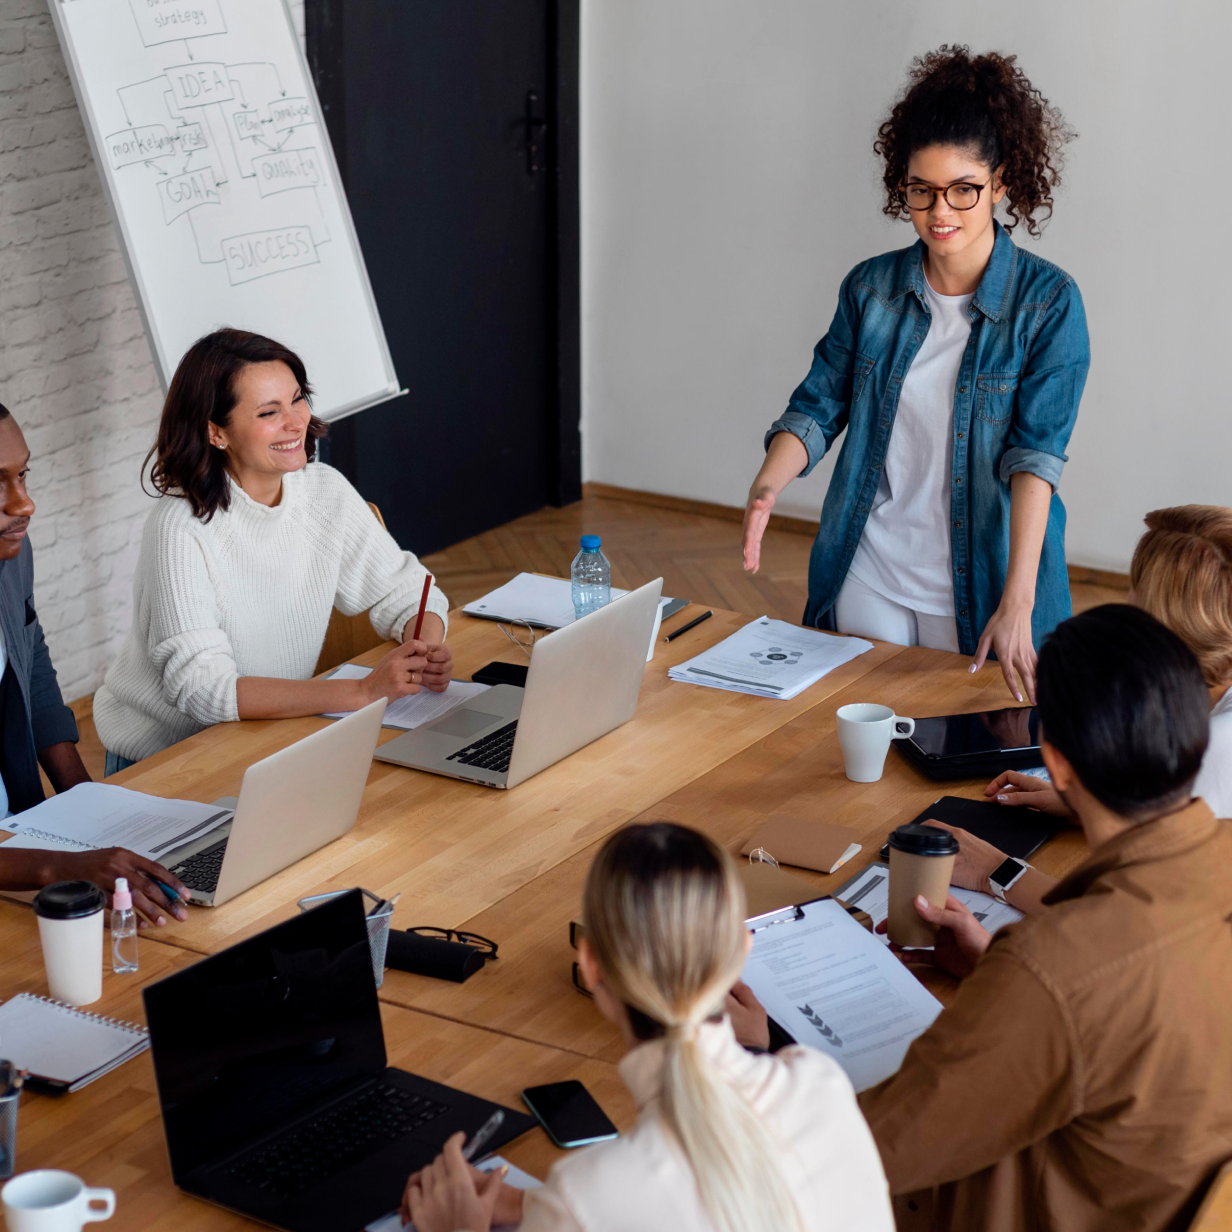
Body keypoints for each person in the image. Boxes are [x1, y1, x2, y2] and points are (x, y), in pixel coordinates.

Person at [848, 605, 1232, 1231]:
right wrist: (999, 978)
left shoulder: (1055, 968)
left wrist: (755, 1055)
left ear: (1054, 763)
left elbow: (873, 1155)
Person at [742, 46, 1088, 703]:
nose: (940, 211)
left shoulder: (1048, 303)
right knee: (856, 748)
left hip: (985, 579)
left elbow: (1034, 462)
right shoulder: (870, 289)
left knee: (968, 759)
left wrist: (1017, 602)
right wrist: (768, 484)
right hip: (868, 567)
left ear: (1003, 181)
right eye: (921, 190)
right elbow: (818, 406)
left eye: (964, 189)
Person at [400, 822, 894, 1232]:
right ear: (741, 954)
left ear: (591, 967)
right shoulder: (820, 1083)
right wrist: (533, 1207)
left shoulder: (590, 1195)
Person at [94, 329, 453, 769]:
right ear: (215, 431)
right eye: (269, 412)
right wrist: (363, 691)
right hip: (169, 761)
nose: (296, 421)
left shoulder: (323, 490)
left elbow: (407, 590)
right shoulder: (180, 528)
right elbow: (203, 689)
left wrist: (424, 651)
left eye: (297, 399)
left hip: (269, 736)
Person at [957, 504, 1232, 914]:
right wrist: (1092, 804)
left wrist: (994, 871)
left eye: (1133, 589)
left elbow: (1132, 923)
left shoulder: (1212, 753)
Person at [0, 401, 188, 926]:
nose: (25, 502)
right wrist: (56, 867)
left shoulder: (9, 555)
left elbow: (30, 666)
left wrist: (87, 804)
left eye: (22, 475)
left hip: (20, 840)